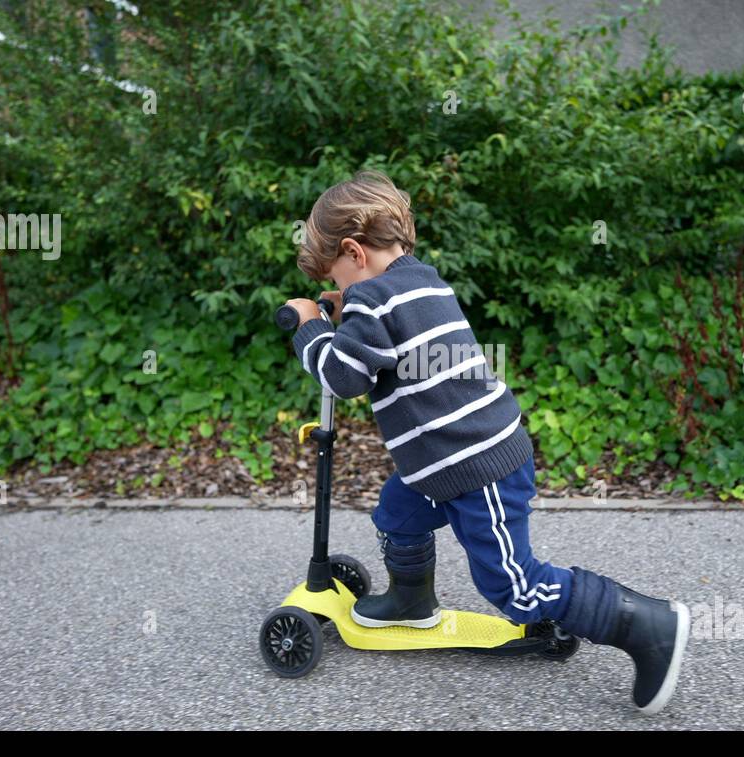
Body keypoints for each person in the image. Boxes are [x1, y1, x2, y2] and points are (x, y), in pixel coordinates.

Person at [284, 169, 690, 714]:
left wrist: (309, 326)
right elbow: (384, 337)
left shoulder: (371, 302)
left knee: (514, 586)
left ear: (354, 251)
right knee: (397, 512)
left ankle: (650, 626)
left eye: (335, 272)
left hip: (478, 469)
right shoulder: (419, 281)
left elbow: (344, 378)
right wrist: (350, 307)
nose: (339, 290)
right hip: (445, 463)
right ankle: (411, 600)